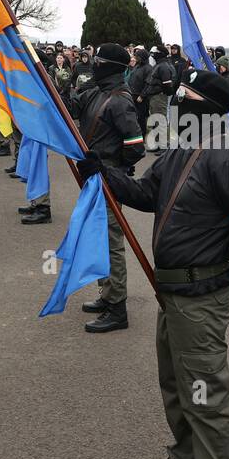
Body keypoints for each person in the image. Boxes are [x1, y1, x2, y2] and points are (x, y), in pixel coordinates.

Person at [80, 69, 229, 459]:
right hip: (171, 294)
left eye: (185, 97)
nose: (177, 103)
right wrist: (104, 174)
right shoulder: (182, 149)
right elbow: (147, 194)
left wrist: (206, 258)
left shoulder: (228, 155)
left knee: (207, 396)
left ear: (206, 107)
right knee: (176, 384)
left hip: (199, 295)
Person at [71, 44, 146, 333]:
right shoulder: (94, 91)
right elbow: (71, 108)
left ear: (112, 66)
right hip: (92, 177)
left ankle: (118, 307)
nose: (94, 64)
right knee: (98, 238)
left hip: (107, 178)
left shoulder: (120, 100)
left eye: (99, 61)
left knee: (111, 241)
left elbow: (135, 147)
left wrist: (114, 169)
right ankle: (106, 292)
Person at [144, 47, 175, 152]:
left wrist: (163, 93)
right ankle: (158, 144)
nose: (153, 55)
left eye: (155, 53)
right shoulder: (160, 65)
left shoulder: (164, 66)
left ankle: (164, 145)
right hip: (155, 96)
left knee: (160, 120)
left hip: (159, 96)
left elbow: (167, 84)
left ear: (161, 54)